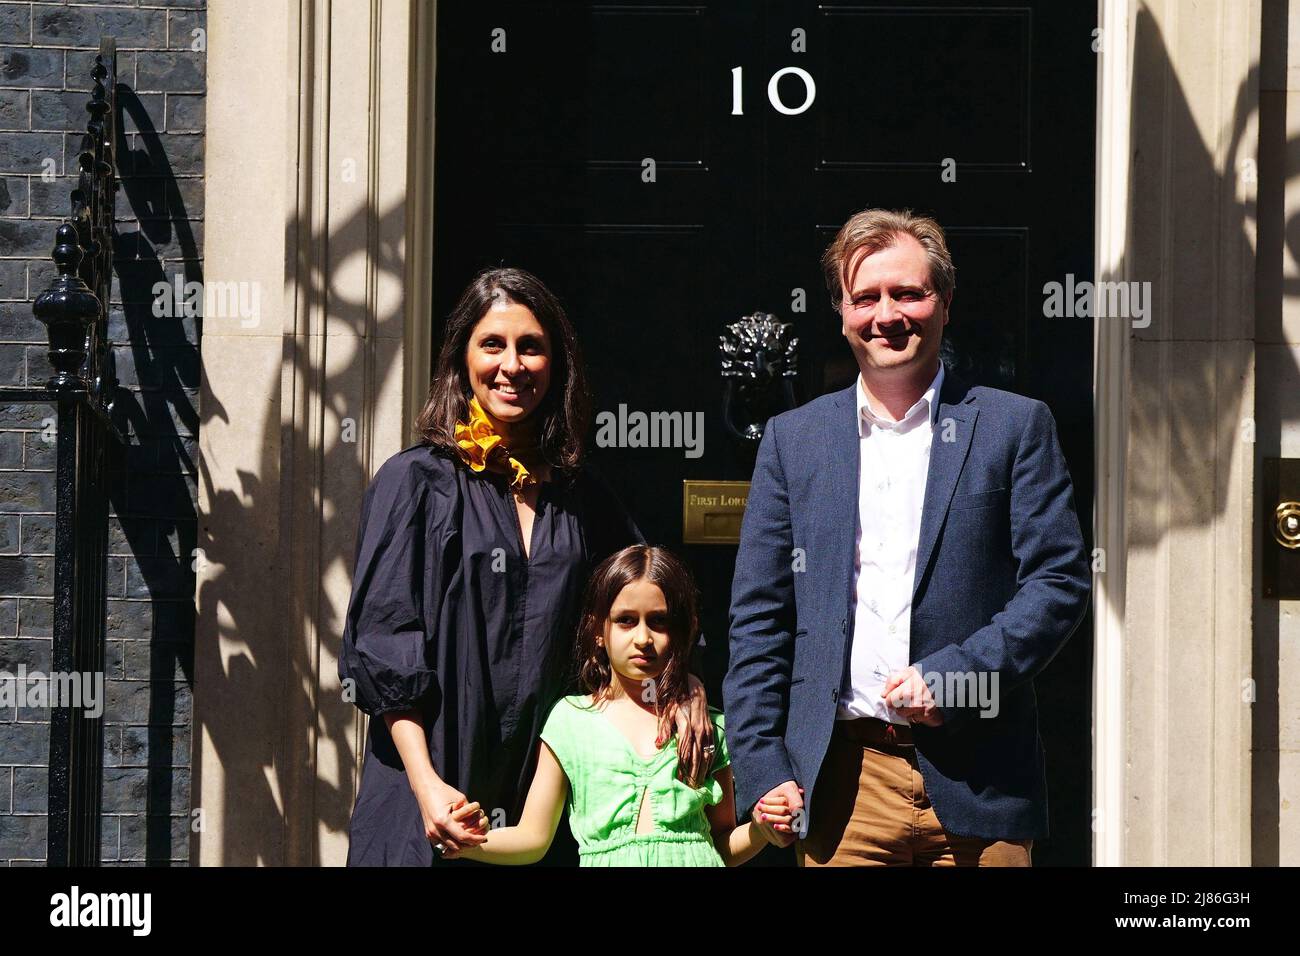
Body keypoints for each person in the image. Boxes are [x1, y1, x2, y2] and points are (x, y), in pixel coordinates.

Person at [724, 208, 1091, 866]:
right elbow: (759, 617)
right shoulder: (794, 441)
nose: (886, 314)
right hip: (842, 789)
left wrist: (955, 677)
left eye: (908, 293)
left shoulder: (1014, 427)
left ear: (945, 304)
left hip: (983, 788)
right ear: (841, 312)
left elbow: (1059, 583)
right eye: (865, 297)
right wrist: (761, 765)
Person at [338, 268, 714, 866]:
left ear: (556, 364)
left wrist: (685, 683)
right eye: (493, 344)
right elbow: (384, 644)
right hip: (431, 785)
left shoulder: (584, 498)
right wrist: (427, 786)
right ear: (462, 359)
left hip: (545, 796)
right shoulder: (414, 484)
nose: (512, 364)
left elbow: (648, 602)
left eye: (531, 346)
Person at [448, 545, 795, 866]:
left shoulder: (707, 727)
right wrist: (469, 843)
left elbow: (721, 845)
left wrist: (759, 830)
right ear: (599, 629)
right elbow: (534, 837)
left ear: (682, 630)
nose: (643, 638)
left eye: (659, 621)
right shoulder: (571, 721)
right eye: (626, 620)